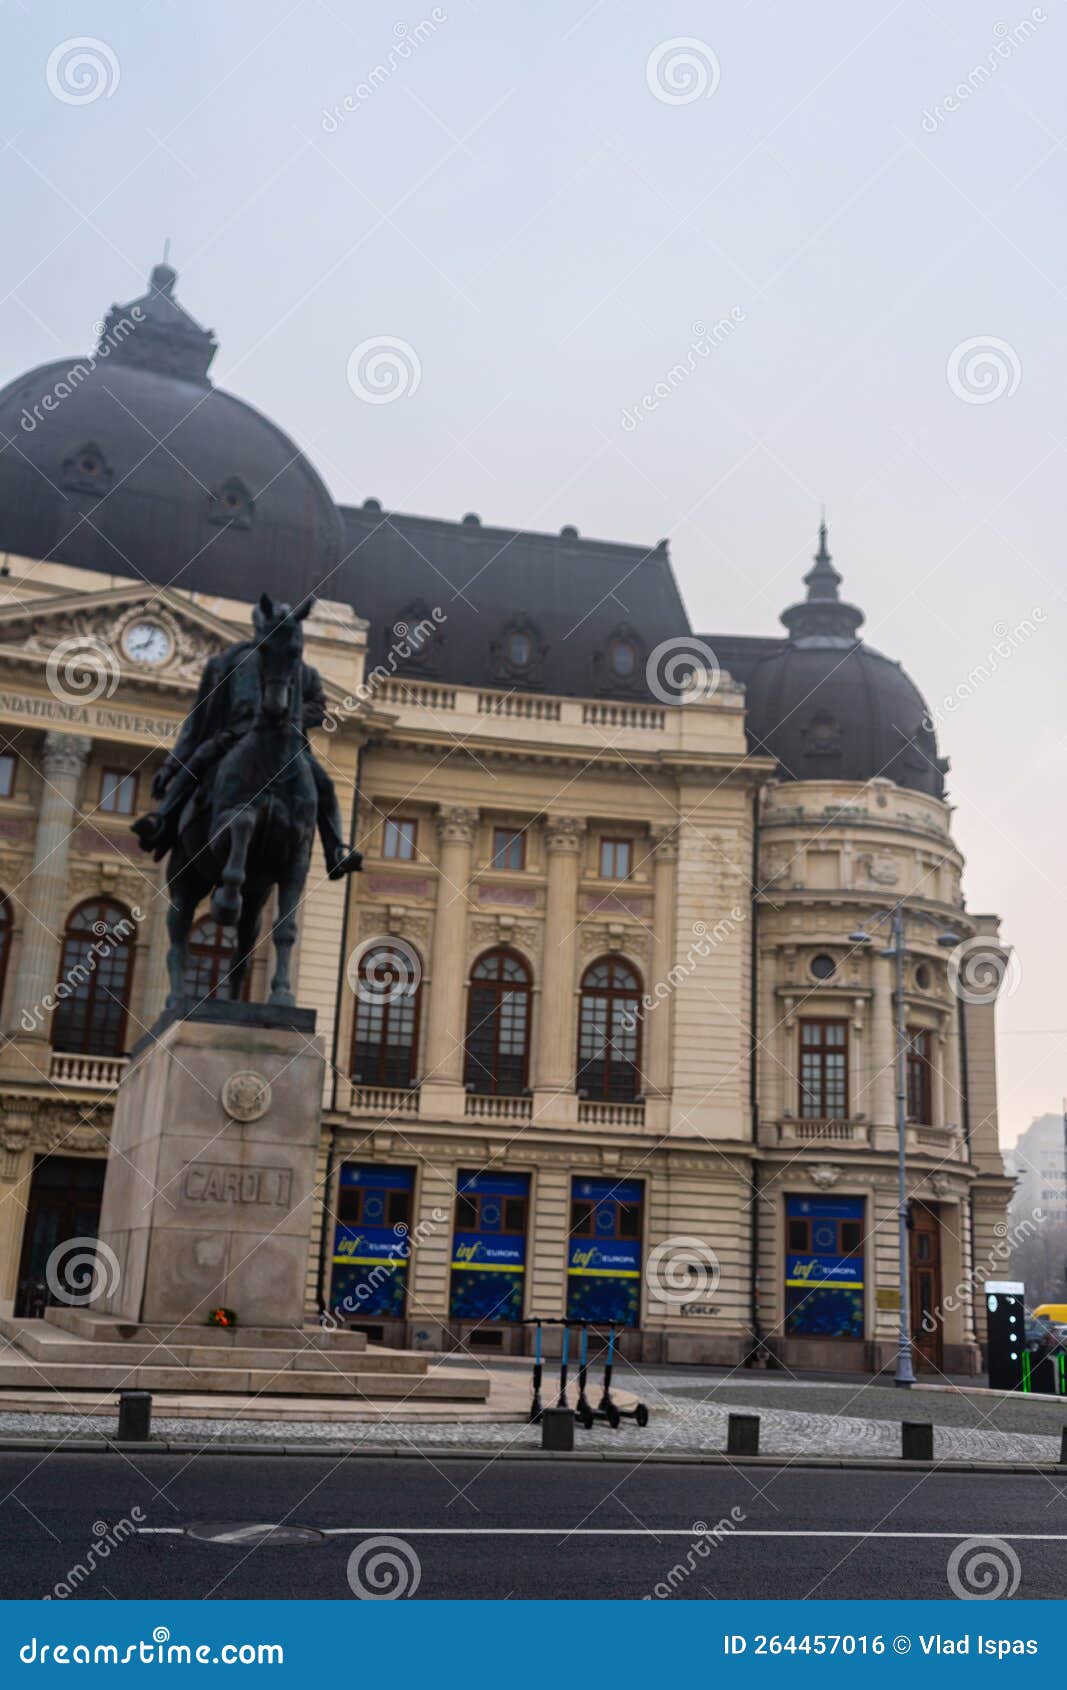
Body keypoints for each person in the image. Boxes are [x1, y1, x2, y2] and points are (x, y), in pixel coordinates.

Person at [131, 603, 362, 880]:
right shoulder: (227, 663)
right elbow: (196, 722)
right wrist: (170, 767)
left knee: (324, 786)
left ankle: (335, 851)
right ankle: (162, 821)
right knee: (198, 760)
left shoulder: (300, 670)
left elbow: (318, 708)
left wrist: (293, 718)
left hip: (286, 746)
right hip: (233, 738)